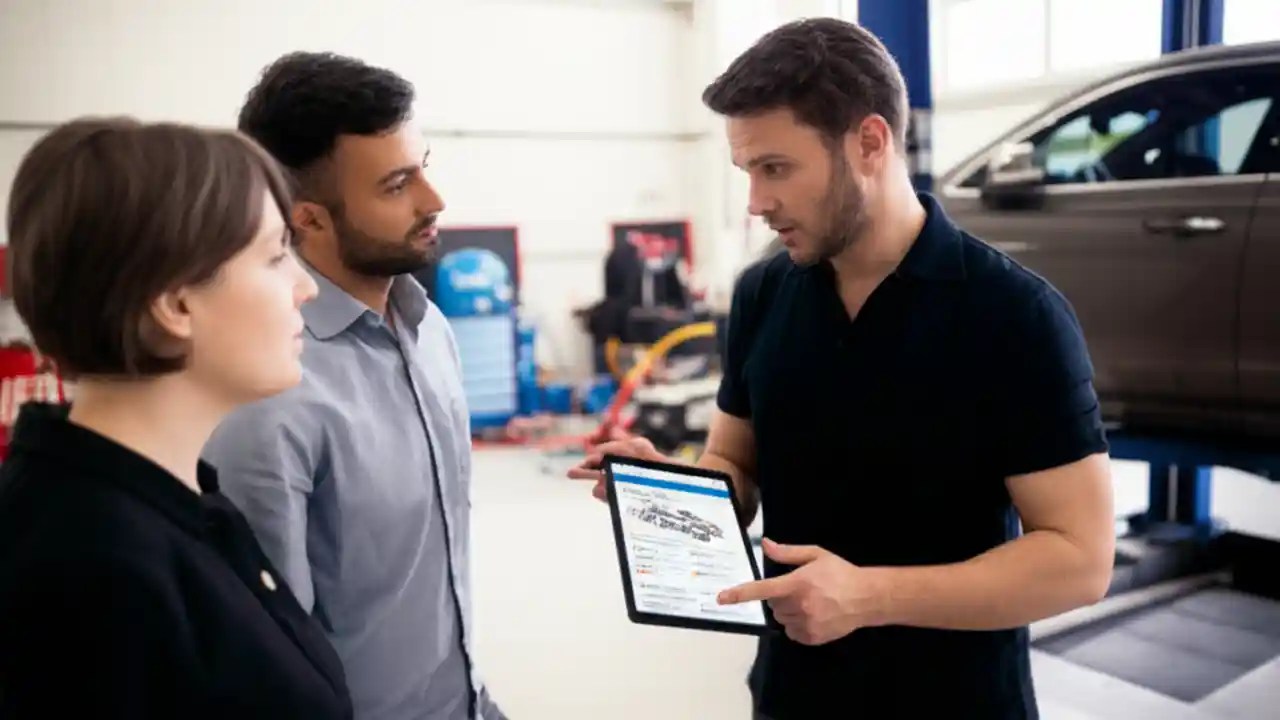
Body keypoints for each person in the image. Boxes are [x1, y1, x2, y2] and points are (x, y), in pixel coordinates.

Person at [570, 18, 1115, 720]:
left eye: (776, 168)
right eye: (748, 172)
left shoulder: (1015, 315)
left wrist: (869, 596)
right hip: (793, 696)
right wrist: (666, 493)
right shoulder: (763, 294)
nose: (756, 203)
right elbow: (735, 466)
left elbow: (1079, 559)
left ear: (868, 142)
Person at [0, 118, 350, 718]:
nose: (305, 287)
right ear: (174, 303)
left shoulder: (170, 504)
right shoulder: (92, 573)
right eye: (274, 258)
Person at [202, 52, 505, 720]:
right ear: (307, 218)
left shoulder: (430, 329)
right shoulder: (270, 392)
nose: (435, 200)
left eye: (423, 166)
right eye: (397, 185)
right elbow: (267, 655)